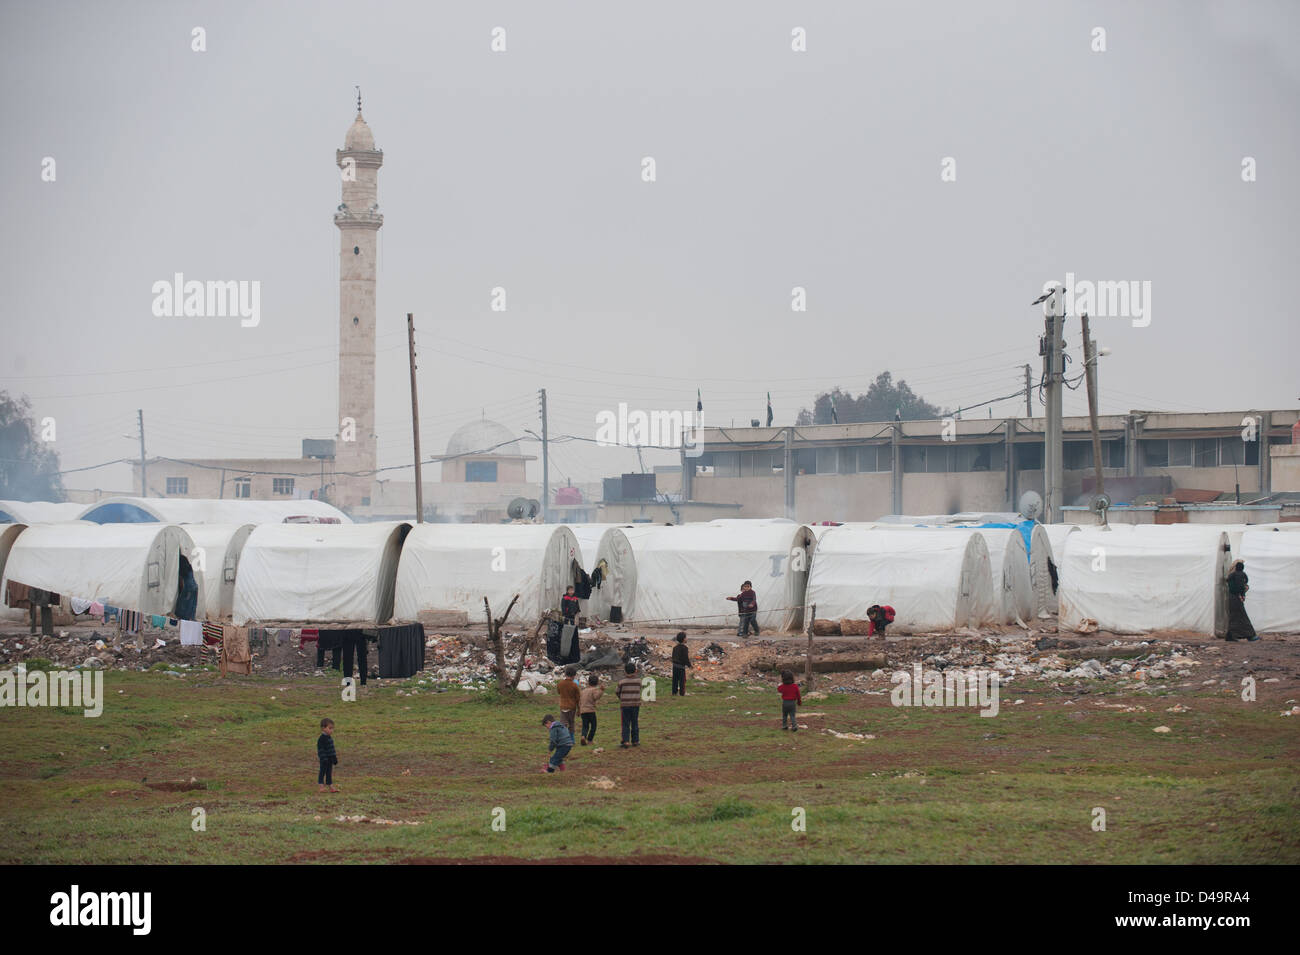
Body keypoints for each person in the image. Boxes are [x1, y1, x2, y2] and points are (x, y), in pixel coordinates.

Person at [1225, 560, 1259, 642]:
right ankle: (1250, 635)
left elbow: (1230, 583)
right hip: (1236, 598)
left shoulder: (1232, 575)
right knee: (1241, 616)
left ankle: (1231, 636)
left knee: (1234, 616)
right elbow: (1240, 586)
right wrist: (1241, 593)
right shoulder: (1241, 575)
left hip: (1233, 598)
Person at [616, 662, 643, 748]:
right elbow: (640, 688)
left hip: (625, 705)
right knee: (635, 722)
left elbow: (617, 692)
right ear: (635, 671)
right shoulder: (639, 681)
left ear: (625, 672)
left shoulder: (621, 682)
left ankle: (626, 741)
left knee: (625, 723)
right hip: (635, 704)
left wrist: (621, 698)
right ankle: (635, 741)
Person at [579, 674, 603, 745]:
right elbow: (596, 697)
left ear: (588, 682)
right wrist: (601, 691)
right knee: (593, 726)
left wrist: (579, 710)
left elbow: (579, 701)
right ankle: (590, 740)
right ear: (597, 682)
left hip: (583, 711)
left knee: (585, 726)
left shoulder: (583, 691)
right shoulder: (594, 690)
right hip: (591, 710)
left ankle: (583, 736)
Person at [556, 666, 581, 736]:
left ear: (565, 674)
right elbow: (578, 698)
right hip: (572, 707)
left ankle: (563, 738)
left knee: (563, 723)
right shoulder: (574, 685)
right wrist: (579, 709)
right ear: (574, 676)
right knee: (571, 723)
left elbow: (558, 692)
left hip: (563, 706)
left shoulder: (560, 684)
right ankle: (571, 739)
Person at [317, 718, 339, 792]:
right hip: (324, 759)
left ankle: (330, 786)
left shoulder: (329, 738)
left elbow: (332, 749)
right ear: (323, 728)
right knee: (322, 771)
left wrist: (334, 758)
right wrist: (323, 758)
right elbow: (320, 750)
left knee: (329, 772)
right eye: (330, 728)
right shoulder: (321, 739)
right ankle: (321, 786)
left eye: (332, 728)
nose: (331, 730)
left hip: (330, 759)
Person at [671, 631, 692, 696]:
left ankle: (674, 692)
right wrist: (689, 665)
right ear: (683, 639)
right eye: (686, 637)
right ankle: (682, 693)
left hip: (674, 666)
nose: (687, 639)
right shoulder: (685, 648)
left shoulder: (675, 648)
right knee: (682, 681)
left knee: (675, 680)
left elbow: (673, 656)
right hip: (681, 667)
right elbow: (685, 658)